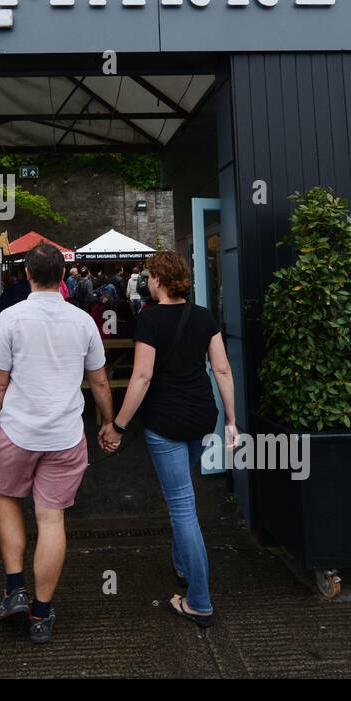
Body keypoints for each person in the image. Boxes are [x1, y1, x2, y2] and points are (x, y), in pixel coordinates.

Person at [0, 243, 116, 645]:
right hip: (65, 435)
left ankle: (15, 589)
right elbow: (99, 381)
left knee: (9, 500)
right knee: (52, 520)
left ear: (27, 275)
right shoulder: (83, 321)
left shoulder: (10, 318)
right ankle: (41, 614)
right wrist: (109, 424)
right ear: (63, 278)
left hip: (16, 432)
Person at [98, 251, 238, 628]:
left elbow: (142, 379)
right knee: (184, 493)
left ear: (158, 280)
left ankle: (199, 601)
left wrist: (119, 425)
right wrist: (232, 421)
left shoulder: (150, 319)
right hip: (201, 417)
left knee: (182, 506)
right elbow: (221, 369)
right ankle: (182, 565)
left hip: (166, 421)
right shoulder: (204, 316)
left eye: (150, 275)